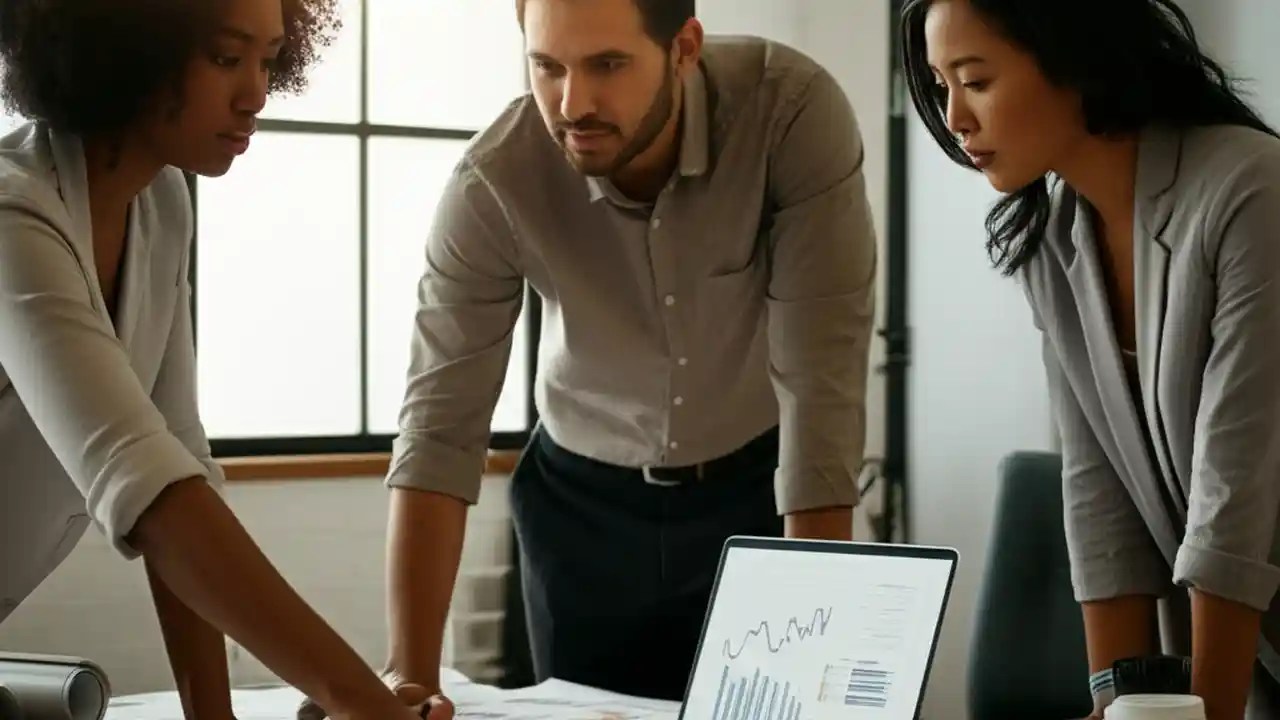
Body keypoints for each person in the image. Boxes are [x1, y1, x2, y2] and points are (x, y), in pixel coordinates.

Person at [377, 0, 876, 706]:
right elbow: (437, 429)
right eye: (546, 67)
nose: (572, 103)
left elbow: (821, 381)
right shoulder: (493, 179)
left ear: (684, 48)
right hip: (581, 511)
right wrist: (411, 676)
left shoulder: (788, 114)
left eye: (607, 65)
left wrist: (816, 650)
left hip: (758, 495)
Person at [0, 2, 430, 719]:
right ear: (128, 50)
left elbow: (178, 461)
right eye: (228, 59)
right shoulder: (14, 216)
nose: (257, 93)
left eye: (267, 60)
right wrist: (358, 699)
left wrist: (215, 715)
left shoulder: (161, 204)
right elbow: (149, 490)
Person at [901, 0, 1280, 718]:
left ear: (1076, 63)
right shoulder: (1052, 242)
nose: (954, 118)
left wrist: (1204, 713)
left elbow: (1237, 493)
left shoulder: (1250, 190)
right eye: (940, 84)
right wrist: (1116, 704)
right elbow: (1098, 495)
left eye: (975, 81)